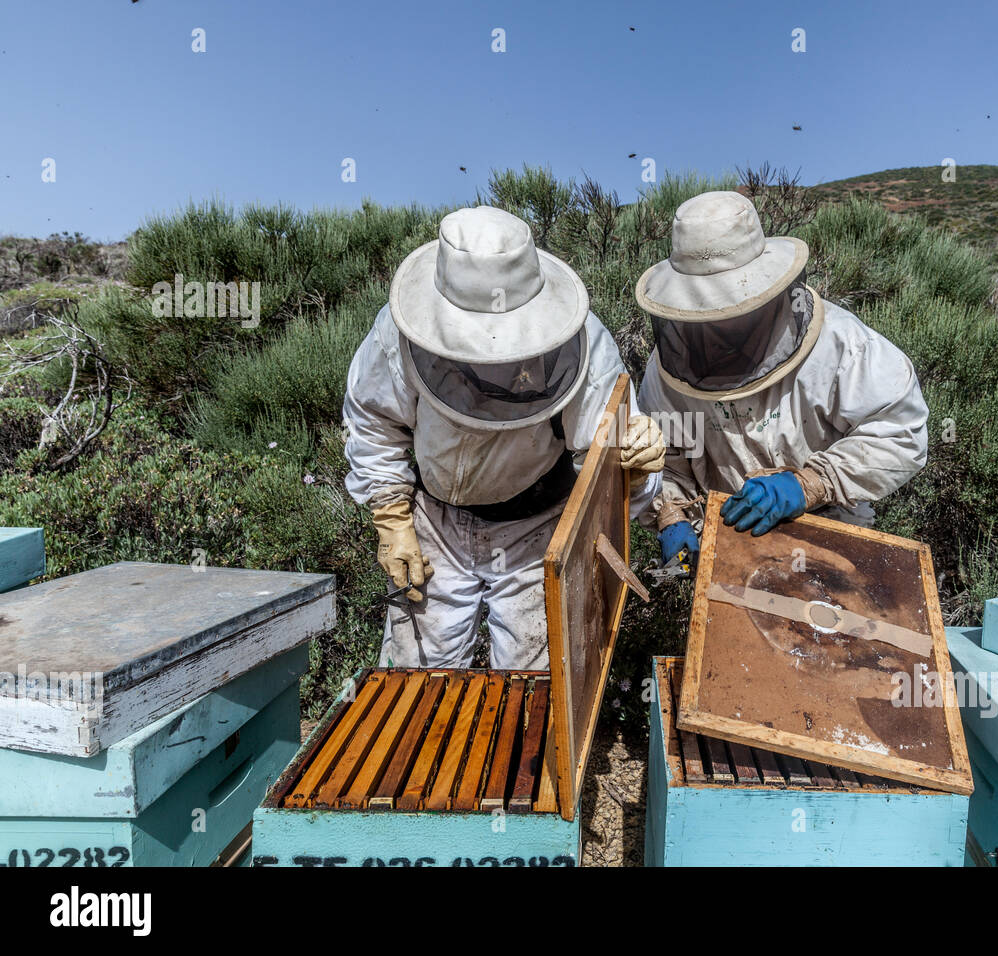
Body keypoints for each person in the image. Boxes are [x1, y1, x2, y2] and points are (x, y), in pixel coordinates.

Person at [343, 206, 664, 668]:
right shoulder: (399, 332)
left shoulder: (586, 346)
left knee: (532, 681)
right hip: (435, 521)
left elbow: (605, 472)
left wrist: (630, 470)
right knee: (417, 672)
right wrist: (392, 518)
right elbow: (373, 420)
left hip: (537, 527)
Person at [635, 191, 928, 571]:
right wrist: (671, 515)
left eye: (732, 309)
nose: (720, 322)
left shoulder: (840, 345)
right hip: (729, 538)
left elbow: (900, 432)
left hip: (833, 525)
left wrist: (809, 483)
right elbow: (668, 460)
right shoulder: (669, 368)